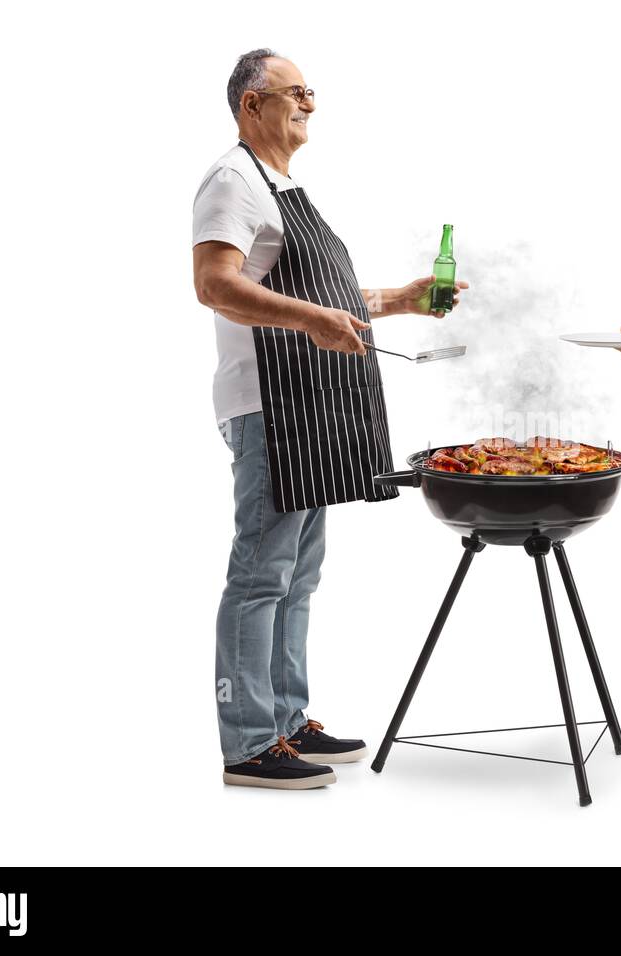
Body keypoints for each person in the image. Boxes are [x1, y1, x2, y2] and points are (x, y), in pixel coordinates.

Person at [192, 49, 466, 790]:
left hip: (309, 406)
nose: (309, 103)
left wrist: (400, 301)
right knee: (261, 574)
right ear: (252, 104)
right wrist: (313, 321)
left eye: (312, 93)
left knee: (299, 574)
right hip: (268, 407)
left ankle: (285, 721)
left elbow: (316, 290)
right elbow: (213, 284)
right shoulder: (232, 179)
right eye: (295, 93)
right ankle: (249, 743)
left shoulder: (281, 186)